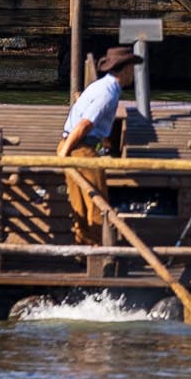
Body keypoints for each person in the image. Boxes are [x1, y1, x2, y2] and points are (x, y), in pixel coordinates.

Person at [59, 45, 140, 244]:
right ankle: (98, 253)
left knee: (79, 203)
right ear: (126, 69)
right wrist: (66, 151)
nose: (133, 74)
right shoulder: (108, 93)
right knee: (97, 203)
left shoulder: (100, 86)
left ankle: (83, 250)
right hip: (80, 148)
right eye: (132, 69)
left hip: (71, 143)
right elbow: (86, 124)